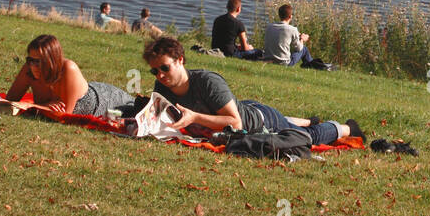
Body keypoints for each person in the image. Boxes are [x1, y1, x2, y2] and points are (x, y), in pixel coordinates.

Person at [142, 37, 361, 145]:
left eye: (164, 68)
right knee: (288, 123)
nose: (160, 75)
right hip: (241, 108)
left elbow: (235, 123)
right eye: (155, 71)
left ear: (180, 60)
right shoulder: (163, 85)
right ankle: (305, 120)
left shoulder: (208, 83)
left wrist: (195, 117)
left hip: (258, 121)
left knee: (307, 138)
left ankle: (347, 128)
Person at [5, 34, 133, 118]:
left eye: (38, 62)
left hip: (105, 100)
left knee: (133, 107)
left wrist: (30, 105)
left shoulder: (68, 69)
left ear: (51, 61)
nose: (33, 66)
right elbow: (10, 99)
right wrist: (46, 107)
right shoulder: (29, 68)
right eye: (30, 60)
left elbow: (65, 115)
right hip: (88, 87)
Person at [264, 3, 316, 67]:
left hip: (267, 60)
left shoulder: (269, 27)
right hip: (284, 63)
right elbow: (299, 48)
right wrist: (302, 39)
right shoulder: (292, 29)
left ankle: (309, 66)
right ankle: (312, 66)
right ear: (290, 16)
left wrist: (297, 35)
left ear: (279, 15)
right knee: (304, 49)